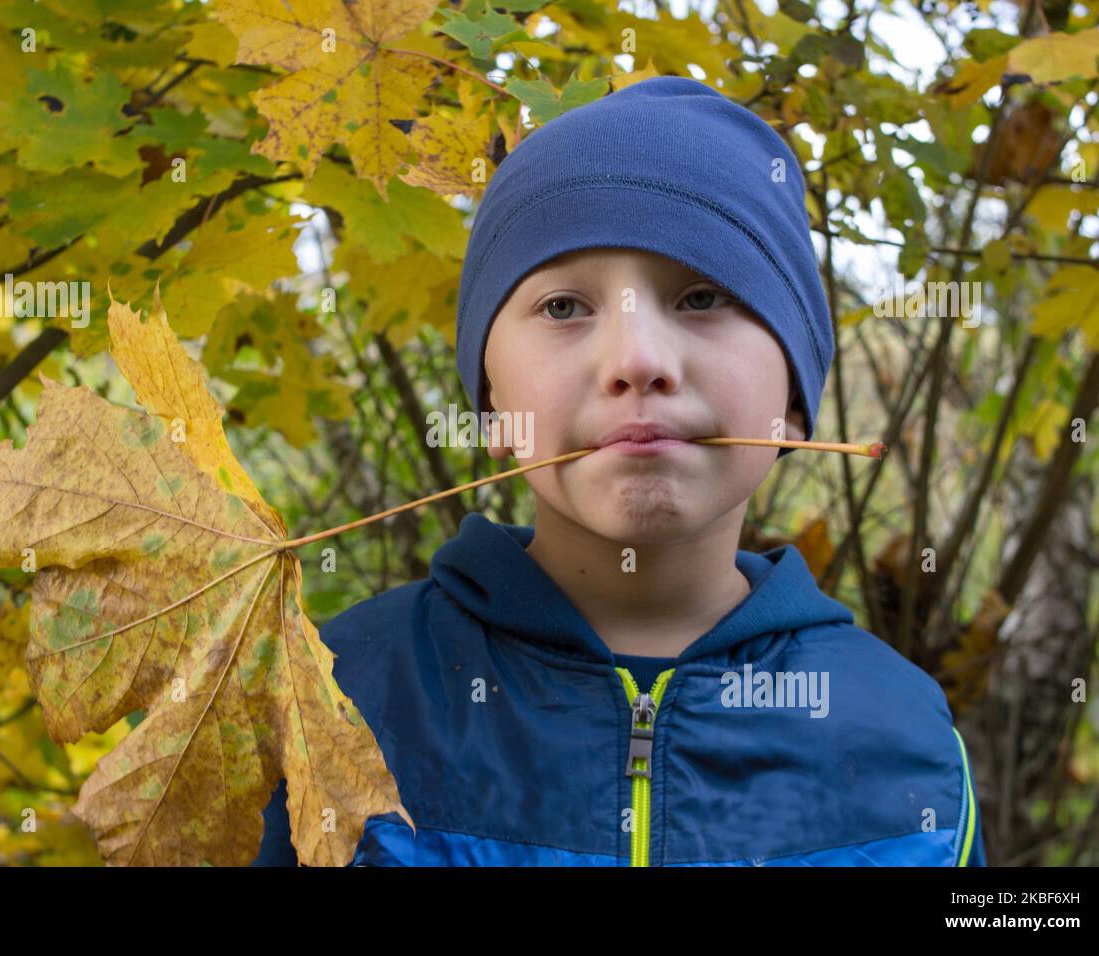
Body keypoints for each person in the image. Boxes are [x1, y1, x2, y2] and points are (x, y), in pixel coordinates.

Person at [253, 75, 987, 866]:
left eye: (702, 296)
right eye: (565, 307)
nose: (638, 359)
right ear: (494, 405)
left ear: (797, 408)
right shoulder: (339, 694)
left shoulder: (905, 740)